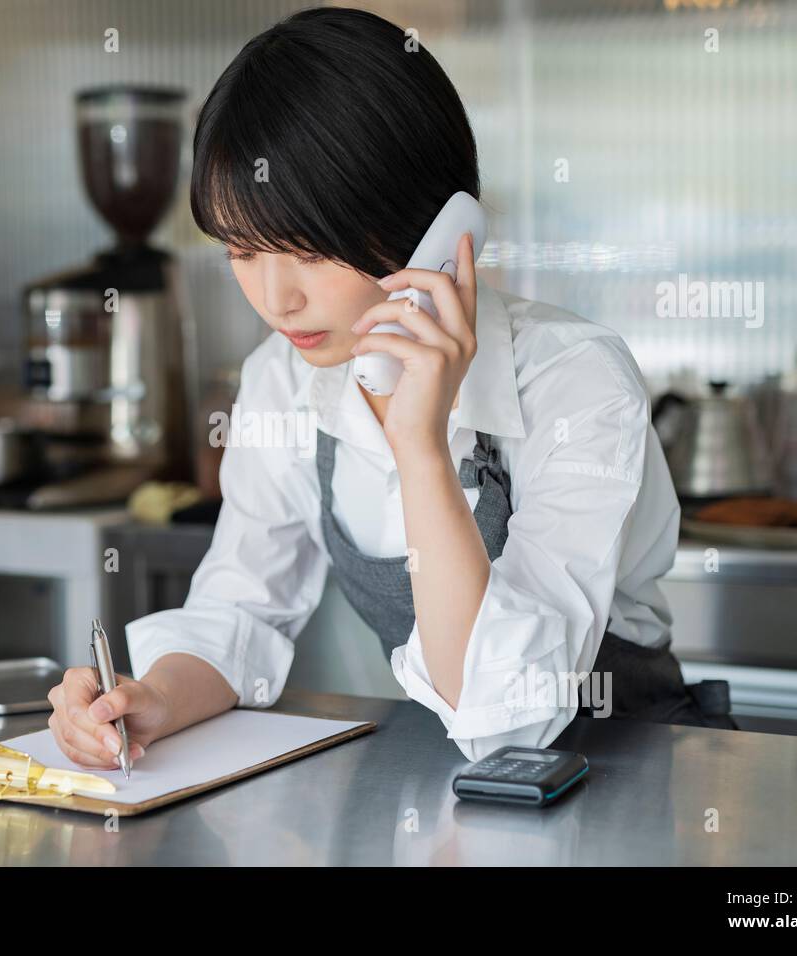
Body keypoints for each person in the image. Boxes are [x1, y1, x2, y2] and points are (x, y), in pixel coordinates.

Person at [47, 6, 734, 770]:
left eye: (308, 249)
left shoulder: (575, 382)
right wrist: (154, 702)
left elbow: (503, 716)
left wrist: (421, 445)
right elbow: (241, 608)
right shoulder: (282, 377)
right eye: (243, 250)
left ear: (432, 227)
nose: (276, 300)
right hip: (456, 793)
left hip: (627, 778)